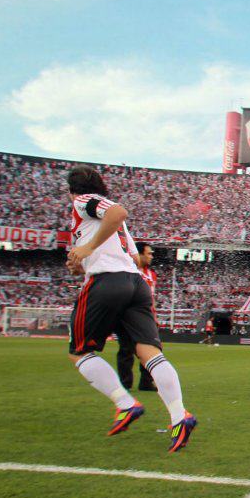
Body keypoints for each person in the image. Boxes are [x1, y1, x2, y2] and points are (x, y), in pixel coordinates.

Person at [64, 165, 196, 452]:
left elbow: (118, 212)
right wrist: (79, 261)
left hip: (107, 282)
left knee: (80, 352)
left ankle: (125, 404)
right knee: (149, 353)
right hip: (135, 285)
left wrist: (87, 252)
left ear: (72, 189)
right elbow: (134, 257)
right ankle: (179, 416)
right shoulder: (111, 227)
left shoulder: (82, 201)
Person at [116, 240, 156, 392]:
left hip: (146, 316)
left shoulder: (151, 274)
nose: (151, 256)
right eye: (149, 253)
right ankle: (125, 383)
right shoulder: (128, 271)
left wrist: (154, 316)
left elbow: (152, 298)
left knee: (150, 349)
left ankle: (146, 382)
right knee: (126, 349)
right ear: (139, 255)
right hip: (128, 315)